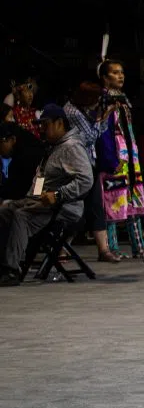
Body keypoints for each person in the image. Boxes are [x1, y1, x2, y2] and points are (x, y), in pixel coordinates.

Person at [0, 105, 93, 287]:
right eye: (40, 125)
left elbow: (86, 180)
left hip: (63, 206)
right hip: (42, 201)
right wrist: (30, 198)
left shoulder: (71, 147)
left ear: (59, 123)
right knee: (6, 210)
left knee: (22, 217)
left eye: (45, 124)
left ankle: (12, 269)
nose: (41, 129)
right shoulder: (53, 147)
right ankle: (3, 263)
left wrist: (58, 195)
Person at [97, 59, 144, 259]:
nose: (120, 76)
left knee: (132, 196)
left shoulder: (123, 100)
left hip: (129, 154)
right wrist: (110, 159)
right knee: (114, 199)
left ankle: (139, 246)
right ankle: (111, 248)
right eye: (115, 73)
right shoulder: (103, 101)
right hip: (115, 155)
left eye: (122, 72)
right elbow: (103, 132)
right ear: (105, 78)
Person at [64, 81, 120, 262]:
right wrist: (102, 118)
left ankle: (103, 250)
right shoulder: (71, 111)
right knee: (74, 209)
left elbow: (99, 132)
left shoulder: (86, 110)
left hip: (89, 164)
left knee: (96, 205)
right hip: (74, 165)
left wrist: (103, 117)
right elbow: (89, 137)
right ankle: (61, 249)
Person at [0, 123, 43, 203]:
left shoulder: (28, 154)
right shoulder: (22, 145)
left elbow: (18, 191)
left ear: (12, 139)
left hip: (38, 196)